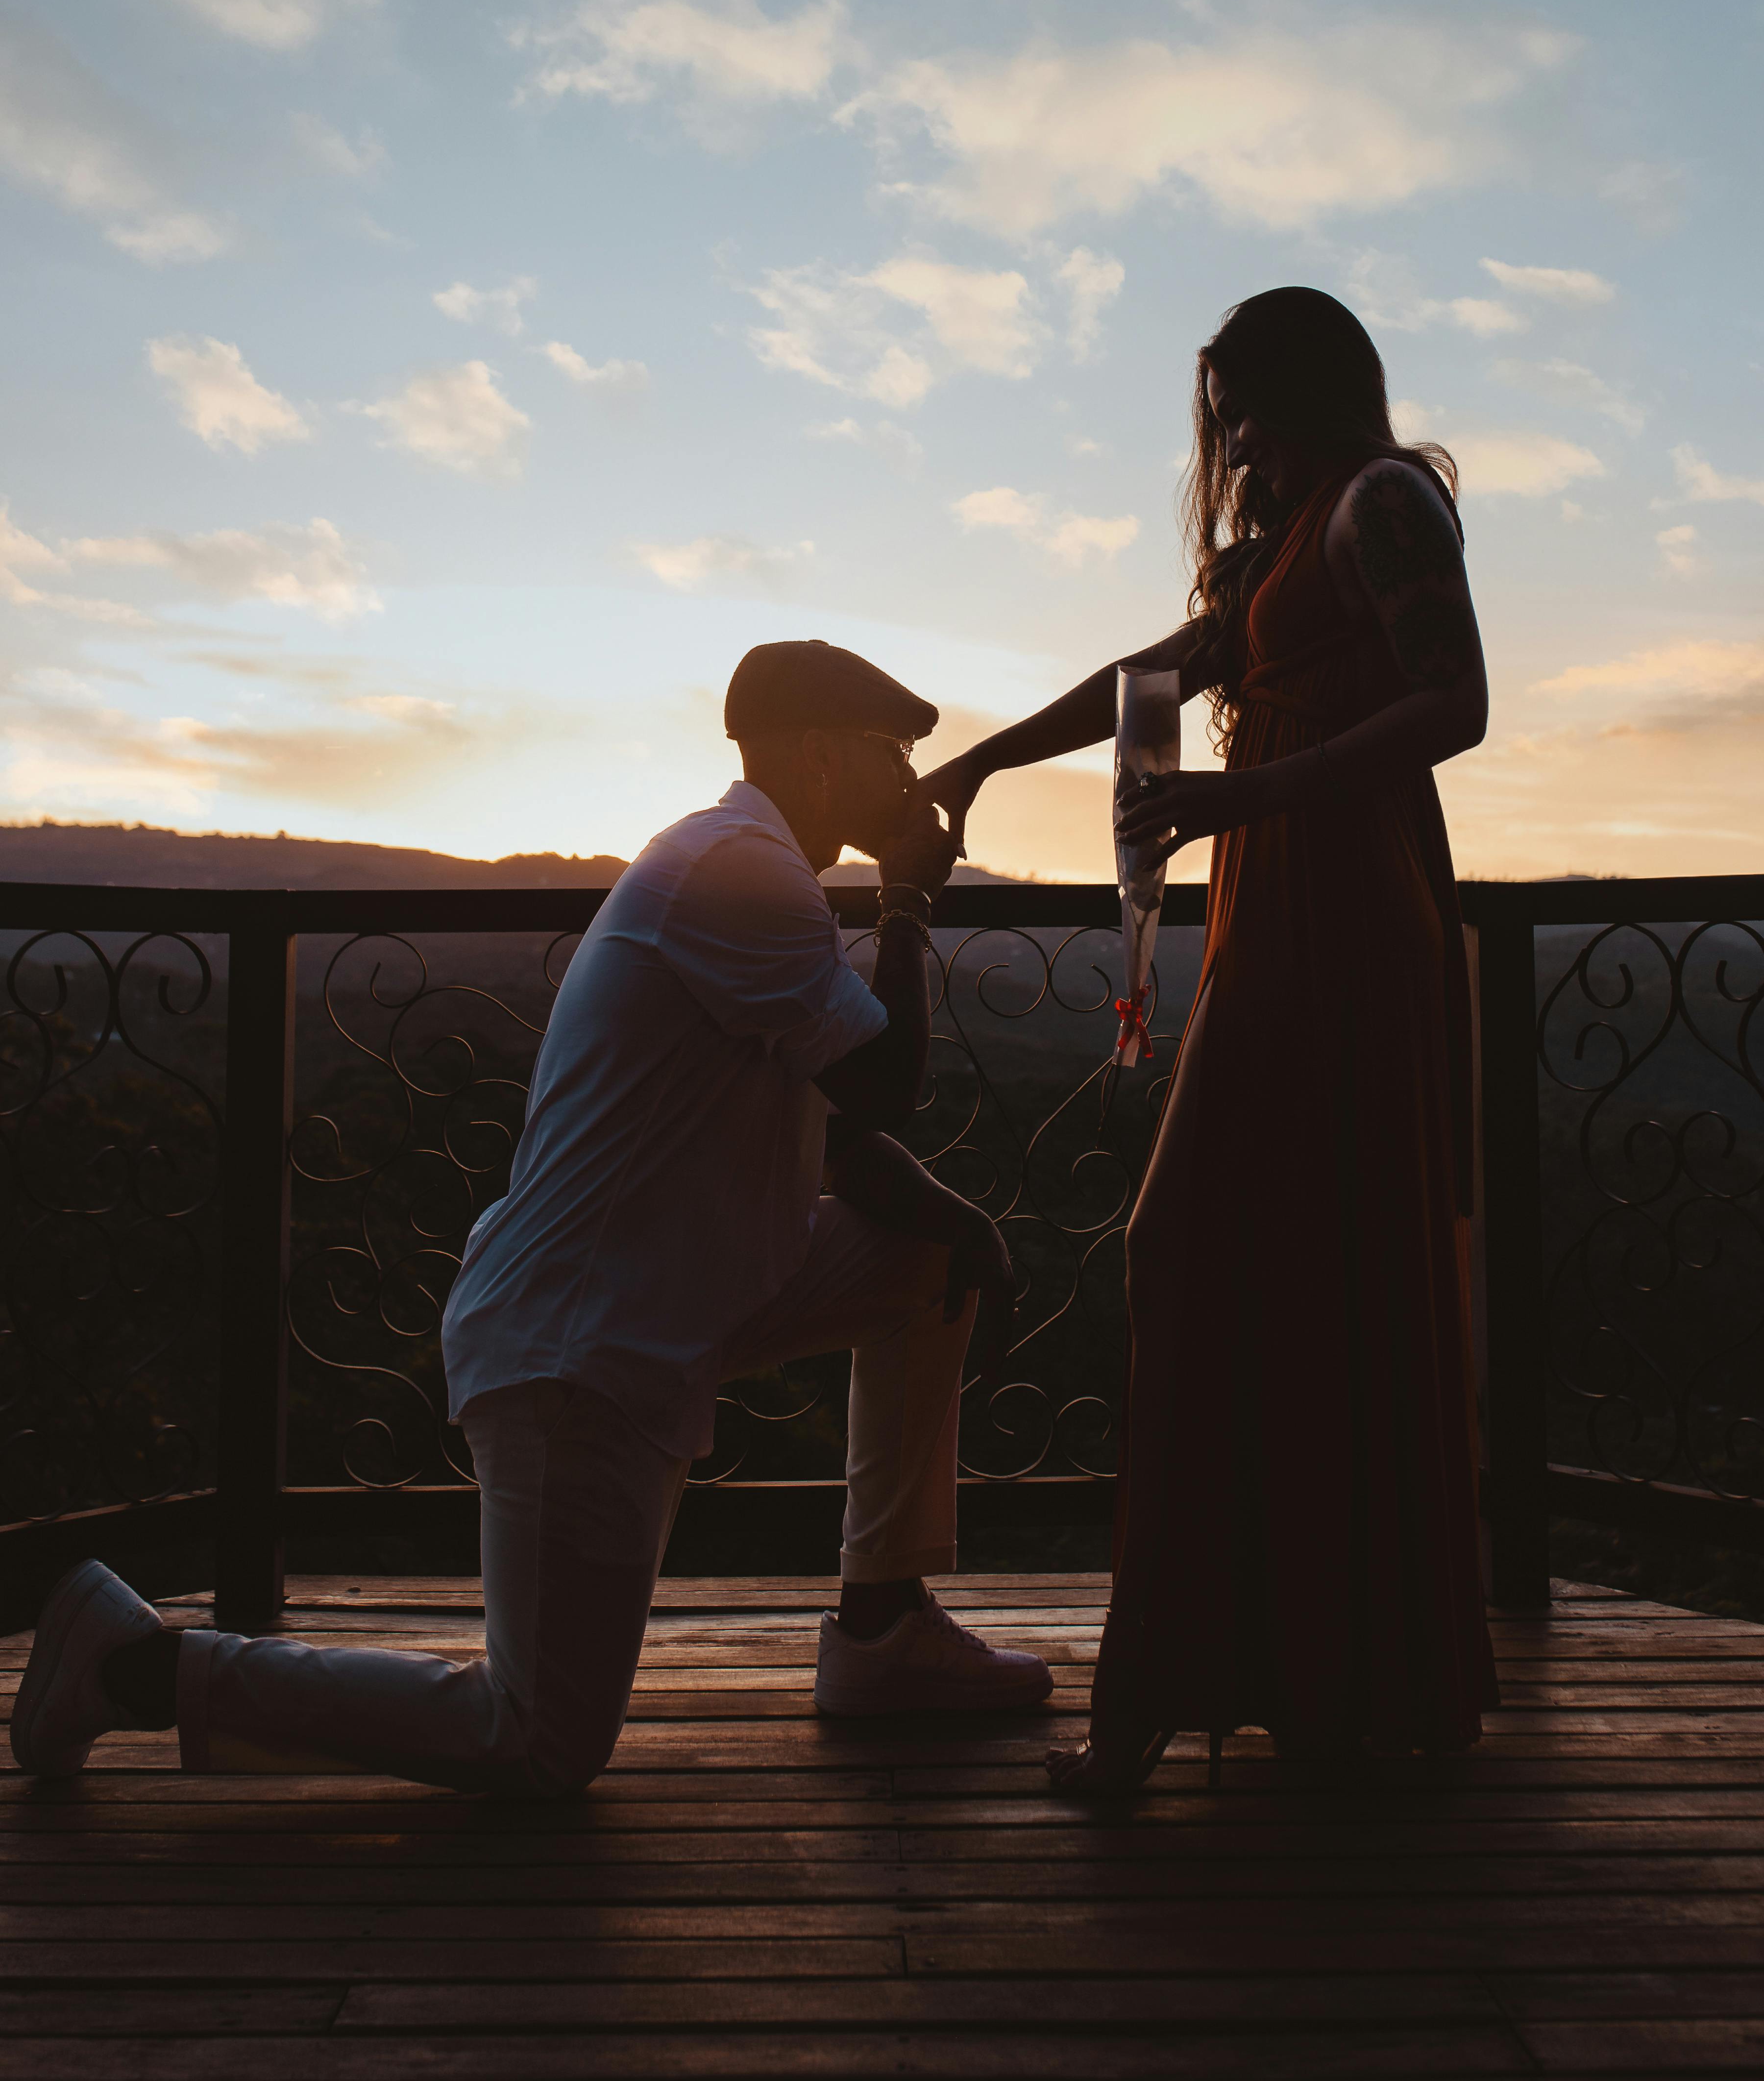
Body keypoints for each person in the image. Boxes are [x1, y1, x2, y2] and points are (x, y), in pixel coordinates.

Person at [12, 640, 1052, 1794]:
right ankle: (141, 1666)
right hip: (583, 1345)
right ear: (817, 756)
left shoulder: (751, 872)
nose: (912, 773)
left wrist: (960, 1223)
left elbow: (842, 1130)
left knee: (923, 1258)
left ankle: (882, 1632)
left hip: (680, 1292)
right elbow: (887, 1080)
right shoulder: (741, 874)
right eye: (891, 748)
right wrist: (907, 899)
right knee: (537, 1737)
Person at [922, 287, 1499, 1786]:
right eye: (1224, 409)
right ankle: (1290, 1667)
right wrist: (984, 757)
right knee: (1258, 1255)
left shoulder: (1382, 502)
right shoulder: (1281, 545)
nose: (1231, 434)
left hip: (1353, 905)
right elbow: (1153, 682)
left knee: (1205, 1241)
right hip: (1273, 905)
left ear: (1310, 389)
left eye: (1245, 402)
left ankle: (1175, 1697)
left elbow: (1458, 700)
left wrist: (1242, 798)